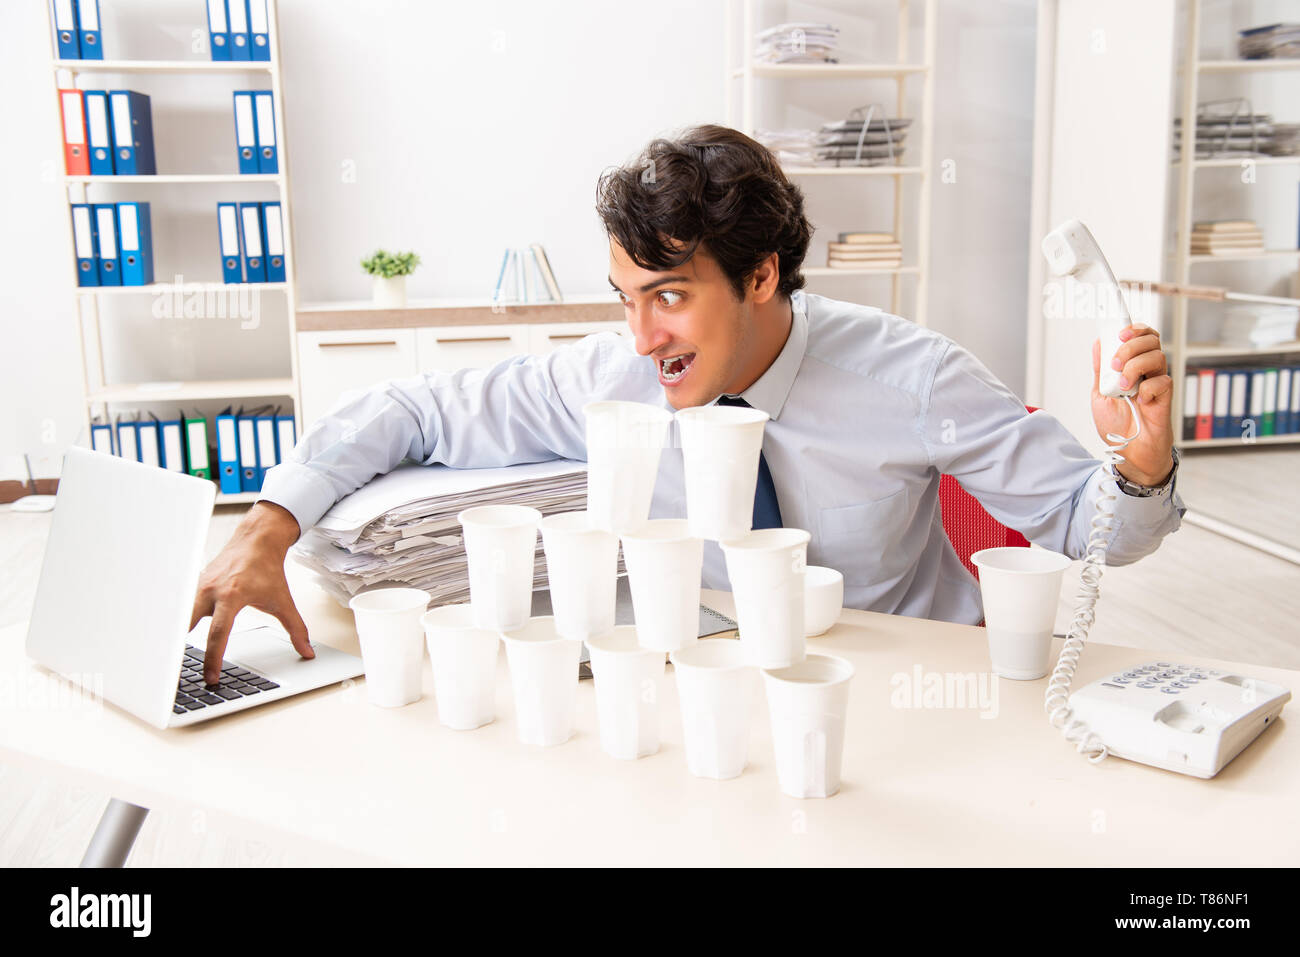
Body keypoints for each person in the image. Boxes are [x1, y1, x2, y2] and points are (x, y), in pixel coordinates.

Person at [190, 125, 1183, 685]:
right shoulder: (615, 379)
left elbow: (1083, 527)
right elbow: (413, 407)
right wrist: (269, 522)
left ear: (759, 278)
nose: (641, 338)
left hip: (906, 688)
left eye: (669, 298)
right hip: (708, 687)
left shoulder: (913, 379)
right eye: (627, 298)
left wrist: (1139, 470)